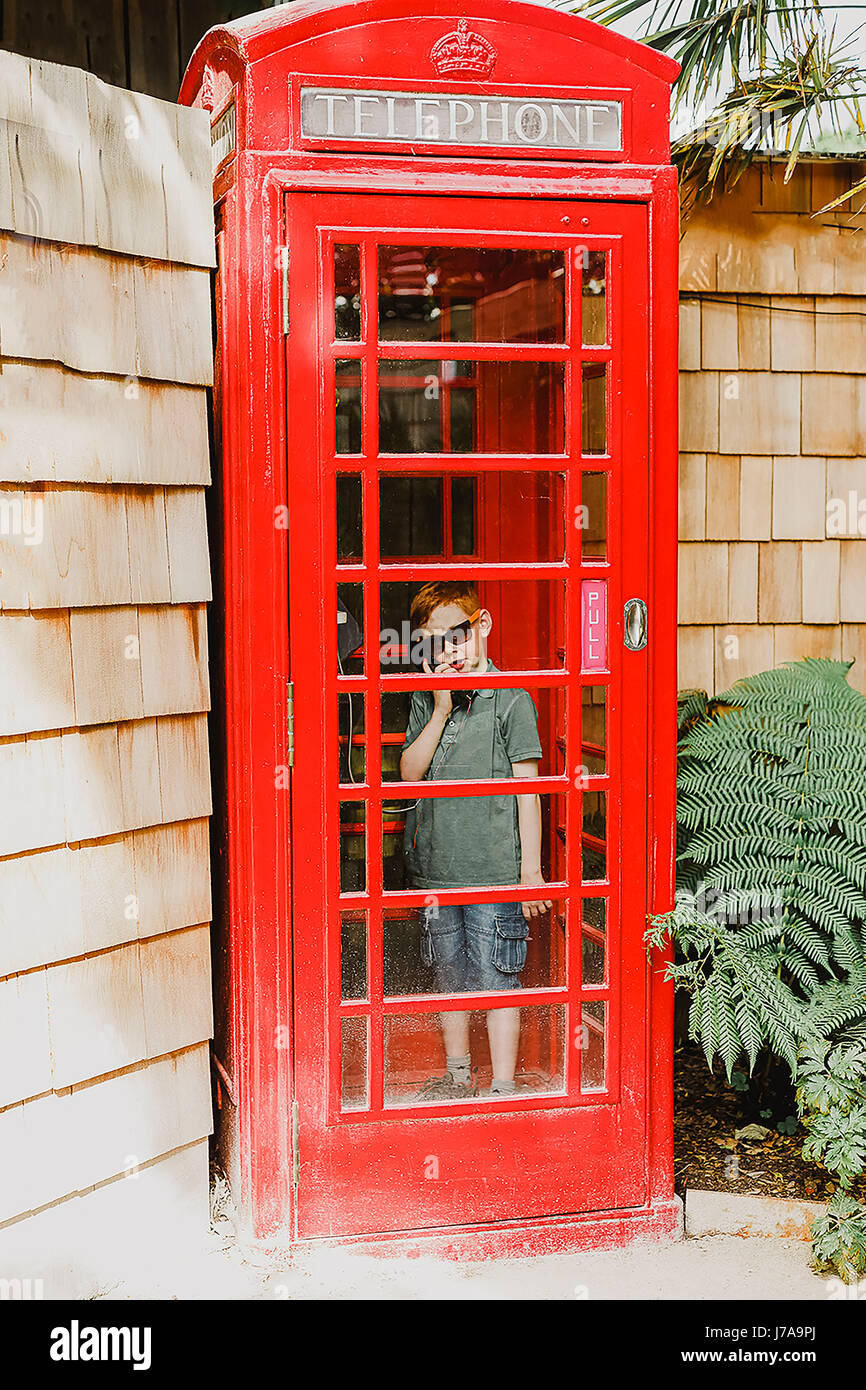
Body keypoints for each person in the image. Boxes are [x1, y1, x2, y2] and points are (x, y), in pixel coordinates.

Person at [400, 580, 552, 1101]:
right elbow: (409, 775)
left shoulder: (511, 700)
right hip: (439, 870)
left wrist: (531, 873)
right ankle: (457, 1076)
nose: (449, 653)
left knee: (497, 982)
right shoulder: (428, 701)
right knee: (448, 979)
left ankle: (504, 1085)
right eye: (432, 645)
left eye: (457, 637)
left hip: (497, 873)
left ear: (482, 625)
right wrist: (441, 709)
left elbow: (530, 794)